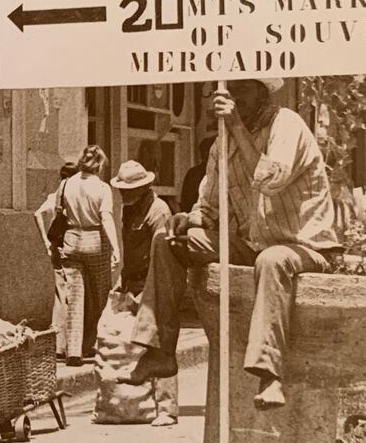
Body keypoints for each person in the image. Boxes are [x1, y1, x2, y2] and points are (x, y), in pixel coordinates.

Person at [118, 79, 338, 409]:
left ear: (263, 93)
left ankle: (270, 375)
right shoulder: (222, 142)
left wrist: (235, 125)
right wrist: (188, 219)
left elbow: (272, 180)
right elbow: (209, 207)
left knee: (273, 260)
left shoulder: (287, 124)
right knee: (167, 239)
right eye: (229, 90)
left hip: (304, 246)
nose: (234, 97)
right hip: (254, 245)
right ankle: (159, 350)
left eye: (243, 89)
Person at [55, 146, 121, 366]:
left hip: (71, 240)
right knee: (100, 296)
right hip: (95, 242)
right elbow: (106, 218)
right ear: (100, 165)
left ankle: (73, 351)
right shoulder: (102, 188)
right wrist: (116, 248)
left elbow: (58, 212)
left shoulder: (66, 184)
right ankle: (92, 343)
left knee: (74, 298)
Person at [34, 162, 80, 363]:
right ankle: (65, 344)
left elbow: (37, 214)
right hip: (67, 247)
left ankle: (57, 343)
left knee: (60, 294)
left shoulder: (54, 196)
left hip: (55, 246)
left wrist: (45, 241)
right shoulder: (71, 195)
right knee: (70, 296)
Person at [110, 159, 172, 298]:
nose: (123, 193)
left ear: (144, 187)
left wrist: (148, 295)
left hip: (150, 286)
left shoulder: (159, 211)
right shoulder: (129, 208)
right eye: (121, 189)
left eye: (129, 190)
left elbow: (164, 261)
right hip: (130, 284)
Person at [179, 136, 215, 213]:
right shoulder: (193, 173)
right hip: (197, 213)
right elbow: (185, 199)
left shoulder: (192, 172)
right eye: (204, 151)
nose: (205, 154)